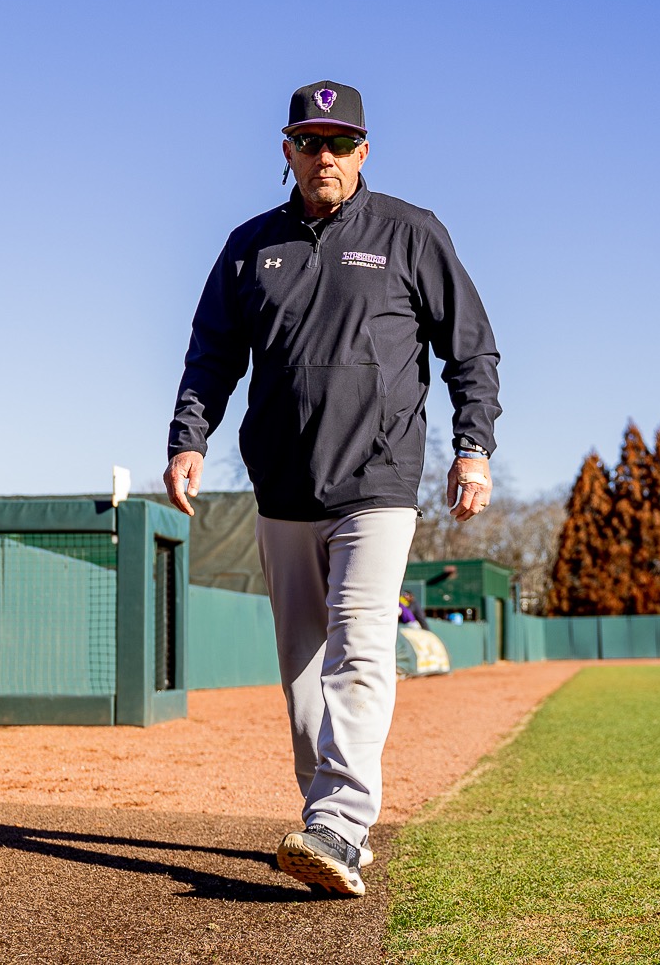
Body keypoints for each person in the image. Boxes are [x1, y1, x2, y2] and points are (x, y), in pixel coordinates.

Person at [164, 80, 501, 897]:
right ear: (286, 150)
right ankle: (325, 818)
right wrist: (187, 440)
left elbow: (472, 351)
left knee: (358, 645)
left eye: (341, 142)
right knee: (302, 665)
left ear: (364, 151)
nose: (325, 156)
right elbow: (211, 355)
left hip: (377, 480)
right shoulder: (250, 247)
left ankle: (342, 822)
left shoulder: (409, 233)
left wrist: (473, 448)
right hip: (279, 482)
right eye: (310, 142)